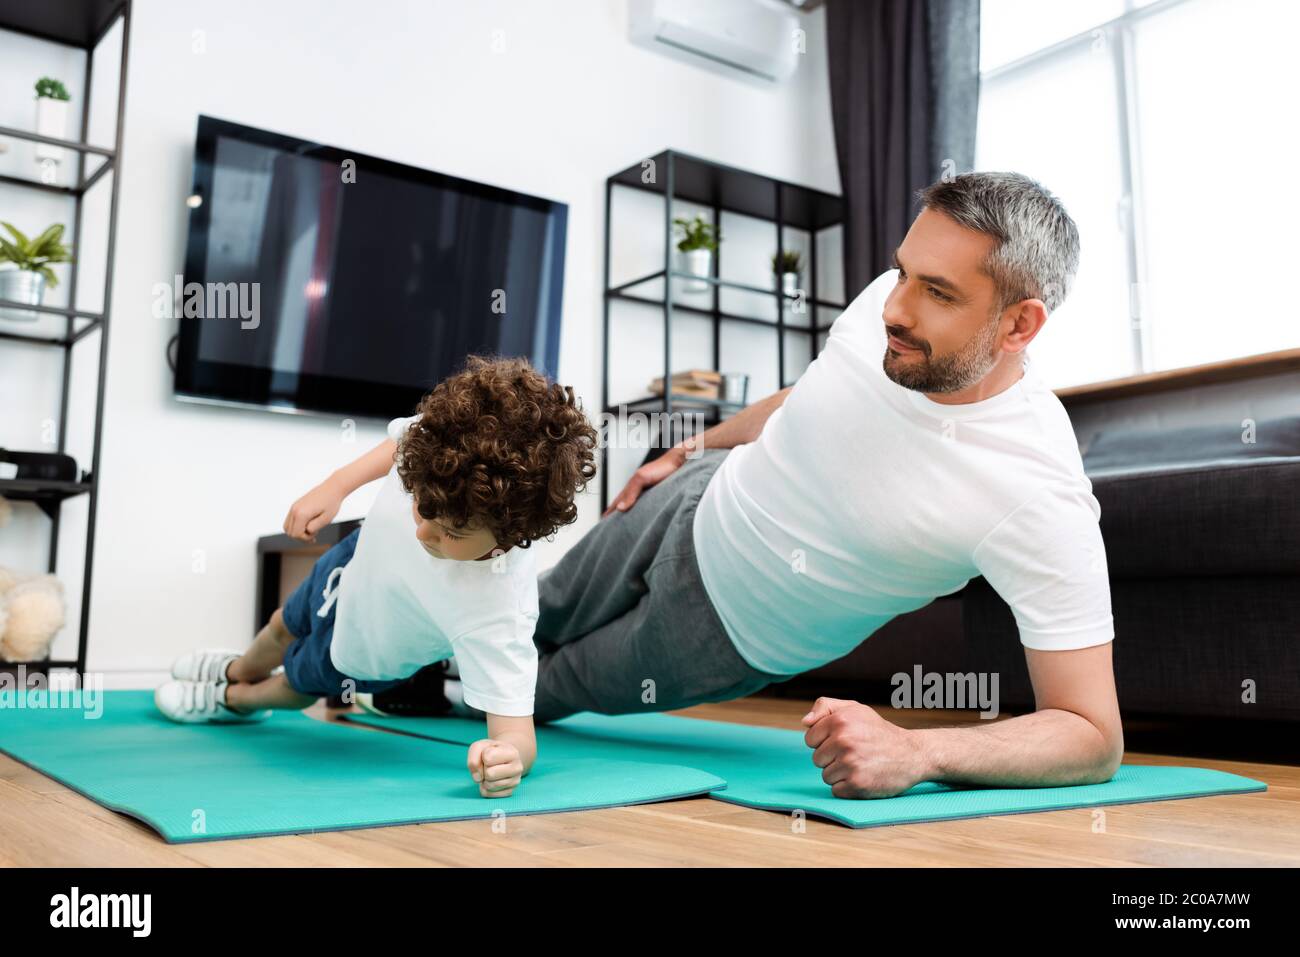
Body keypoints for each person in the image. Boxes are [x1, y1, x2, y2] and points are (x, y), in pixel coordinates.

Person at [521, 171, 1122, 800]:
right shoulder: (894, 309)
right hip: (697, 496)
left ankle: (436, 696)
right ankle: (406, 666)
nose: (894, 308)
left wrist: (919, 749)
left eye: (938, 293)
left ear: (1020, 326)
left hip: (725, 630)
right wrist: (695, 446)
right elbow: (816, 390)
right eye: (902, 273)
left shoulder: (1038, 488)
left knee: (532, 688)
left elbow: (1092, 734)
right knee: (526, 607)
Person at [154, 355, 598, 799]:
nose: (423, 532)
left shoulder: (501, 609)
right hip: (351, 565)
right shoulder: (443, 451)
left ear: (511, 536)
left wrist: (509, 759)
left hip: (365, 650)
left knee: (294, 680)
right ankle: (234, 668)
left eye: (452, 532)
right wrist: (336, 485)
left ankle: (233, 703)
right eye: (422, 506)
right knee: (281, 624)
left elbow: (518, 733)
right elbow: (401, 442)